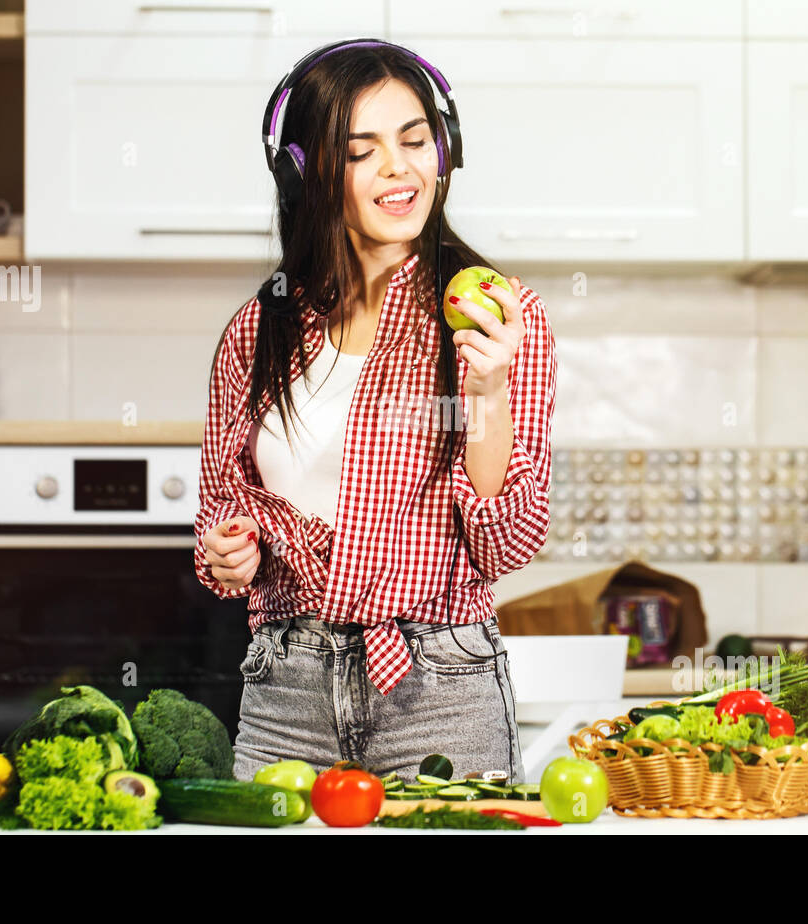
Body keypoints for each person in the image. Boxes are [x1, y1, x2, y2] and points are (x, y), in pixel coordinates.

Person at [194, 40, 557, 784]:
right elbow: (220, 514)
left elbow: (506, 547)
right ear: (307, 173)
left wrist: (487, 392)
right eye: (363, 151)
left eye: (415, 139)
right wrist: (230, 553)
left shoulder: (493, 314)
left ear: (443, 149)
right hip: (284, 688)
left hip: (438, 687)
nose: (399, 169)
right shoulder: (258, 331)